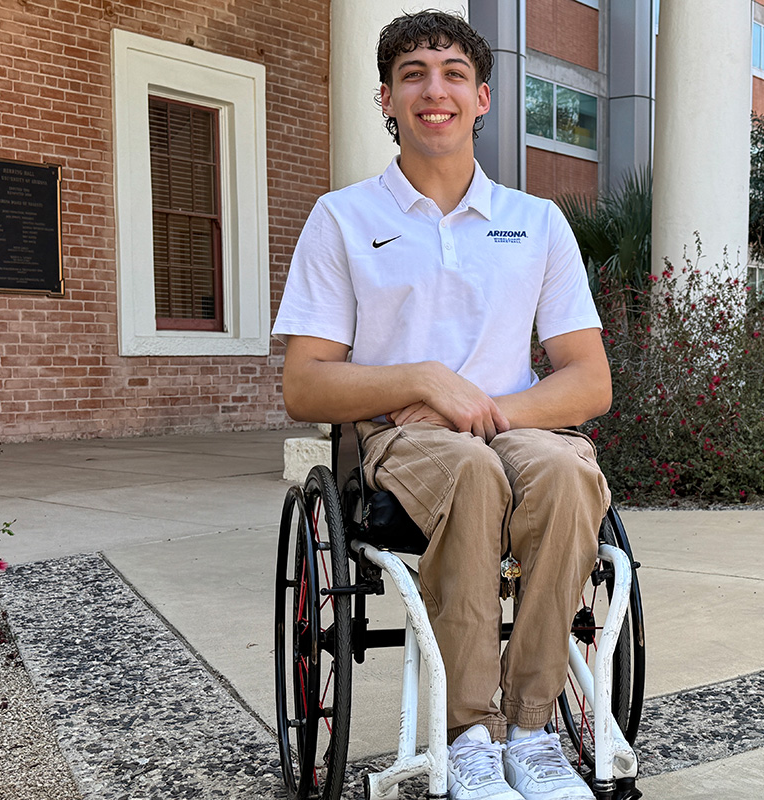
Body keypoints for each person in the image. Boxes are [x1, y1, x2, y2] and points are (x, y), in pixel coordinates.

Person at [272, 10, 612, 800]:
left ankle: (531, 730)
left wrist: (478, 404)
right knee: (470, 469)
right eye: (414, 74)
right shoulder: (344, 219)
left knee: (565, 474)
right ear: (385, 99)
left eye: (453, 73)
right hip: (401, 445)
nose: (435, 91)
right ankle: (467, 735)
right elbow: (305, 384)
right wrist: (422, 379)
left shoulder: (537, 223)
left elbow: (589, 381)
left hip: (514, 429)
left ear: (483, 97)